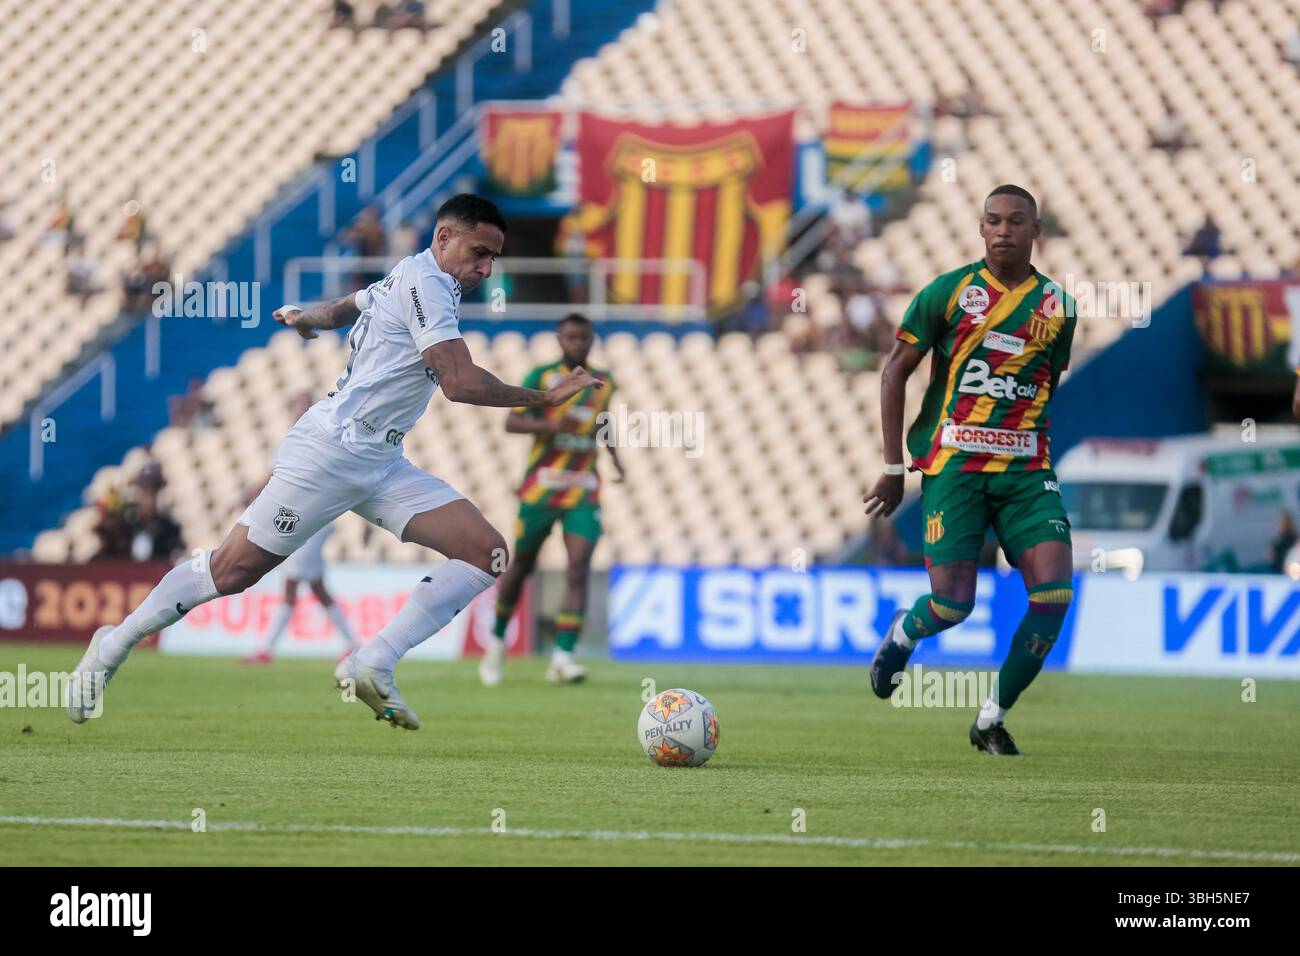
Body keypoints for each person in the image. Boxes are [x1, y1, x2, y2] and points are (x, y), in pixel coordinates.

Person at [67, 195, 601, 730]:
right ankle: (112, 644)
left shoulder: (410, 274)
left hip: (381, 461)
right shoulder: (430, 285)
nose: (485, 269)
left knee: (487, 554)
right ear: (443, 238)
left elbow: (351, 304)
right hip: (329, 453)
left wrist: (308, 317)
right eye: (479, 252)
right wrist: (545, 399)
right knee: (231, 572)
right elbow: (458, 384)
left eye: (492, 260)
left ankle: (374, 660)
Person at [862, 184, 1077, 756]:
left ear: (1036, 231)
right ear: (980, 230)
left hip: (1027, 471)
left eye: (1016, 221)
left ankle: (991, 719)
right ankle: (905, 633)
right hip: (956, 465)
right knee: (954, 605)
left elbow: (1045, 385)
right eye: (993, 220)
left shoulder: (1060, 307)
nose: (1003, 230)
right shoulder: (947, 293)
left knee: (1054, 594)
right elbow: (893, 375)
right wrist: (892, 466)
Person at [481, 314, 622, 686]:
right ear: (560, 339)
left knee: (578, 566)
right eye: (571, 337)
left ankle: (562, 657)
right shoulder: (541, 377)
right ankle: (496, 642)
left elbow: (604, 423)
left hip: (583, 488)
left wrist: (617, 459)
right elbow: (512, 423)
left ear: (592, 340)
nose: (578, 343)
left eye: (584, 337)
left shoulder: (603, 383)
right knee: (522, 565)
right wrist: (550, 425)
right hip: (541, 487)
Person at [242, 394, 360, 665]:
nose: (300, 411)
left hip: (307, 518)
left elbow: (271, 479)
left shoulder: (312, 439)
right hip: (311, 518)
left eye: (304, 406)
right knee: (316, 586)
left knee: (291, 584)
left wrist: (245, 498)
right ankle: (353, 644)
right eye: (296, 406)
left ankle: (265, 650)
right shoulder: (297, 439)